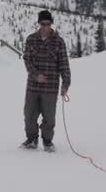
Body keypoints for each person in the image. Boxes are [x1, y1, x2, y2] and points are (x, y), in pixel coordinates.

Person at [21, 10, 71, 151]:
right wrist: (35, 75)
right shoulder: (31, 39)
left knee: (49, 118)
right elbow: (27, 60)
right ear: (39, 24)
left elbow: (64, 65)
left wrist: (65, 84)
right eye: (43, 24)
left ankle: (47, 141)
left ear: (51, 24)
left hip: (51, 87)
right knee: (29, 115)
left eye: (48, 24)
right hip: (33, 86)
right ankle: (32, 139)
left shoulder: (59, 42)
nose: (45, 27)